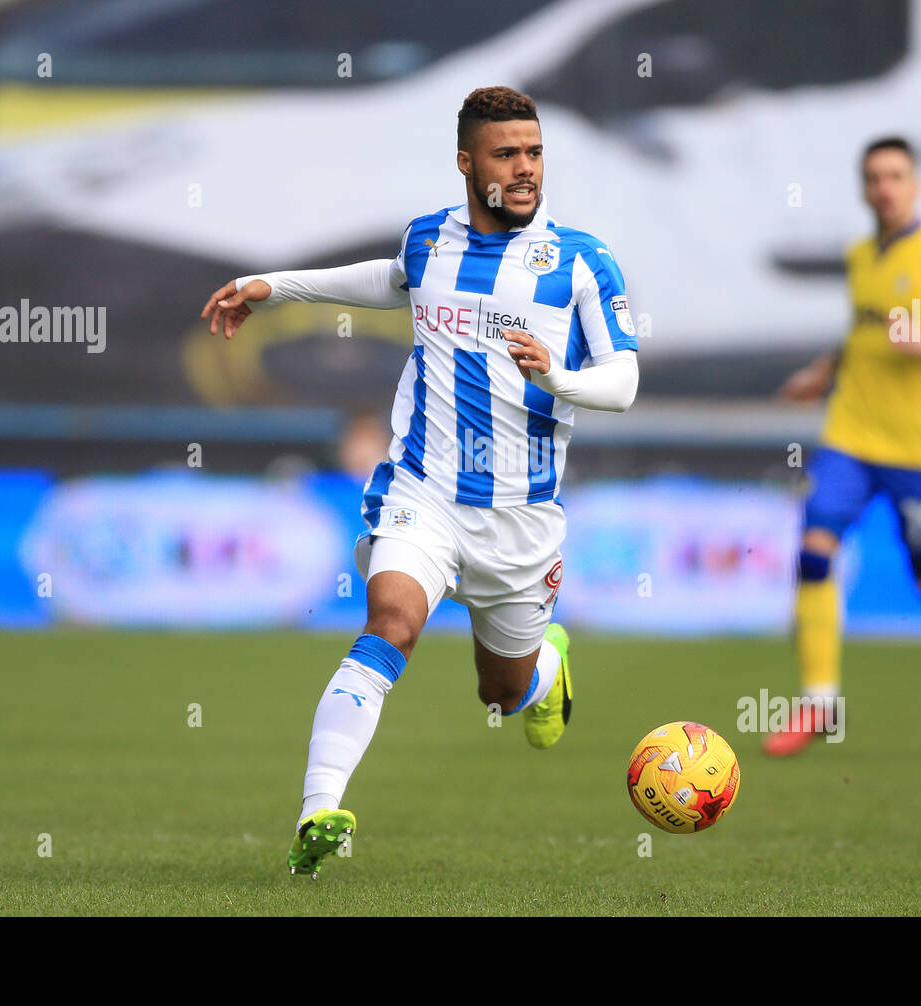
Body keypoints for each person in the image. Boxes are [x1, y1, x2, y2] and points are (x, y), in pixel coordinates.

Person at [199, 86, 640, 877]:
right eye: (507, 154)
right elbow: (388, 279)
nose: (526, 168)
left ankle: (544, 673)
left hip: (521, 521)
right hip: (424, 490)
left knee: (498, 694)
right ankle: (318, 811)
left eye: (535, 152)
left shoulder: (580, 261)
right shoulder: (429, 239)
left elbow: (624, 382)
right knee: (390, 624)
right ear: (468, 162)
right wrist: (278, 285)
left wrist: (560, 378)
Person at [768, 136, 921, 761]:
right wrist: (823, 372)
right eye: (874, 177)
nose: (885, 187)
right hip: (851, 436)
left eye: (896, 176)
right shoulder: (860, 256)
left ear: (916, 184)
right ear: (863, 187)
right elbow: (864, 331)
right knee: (814, 550)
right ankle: (819, 701)